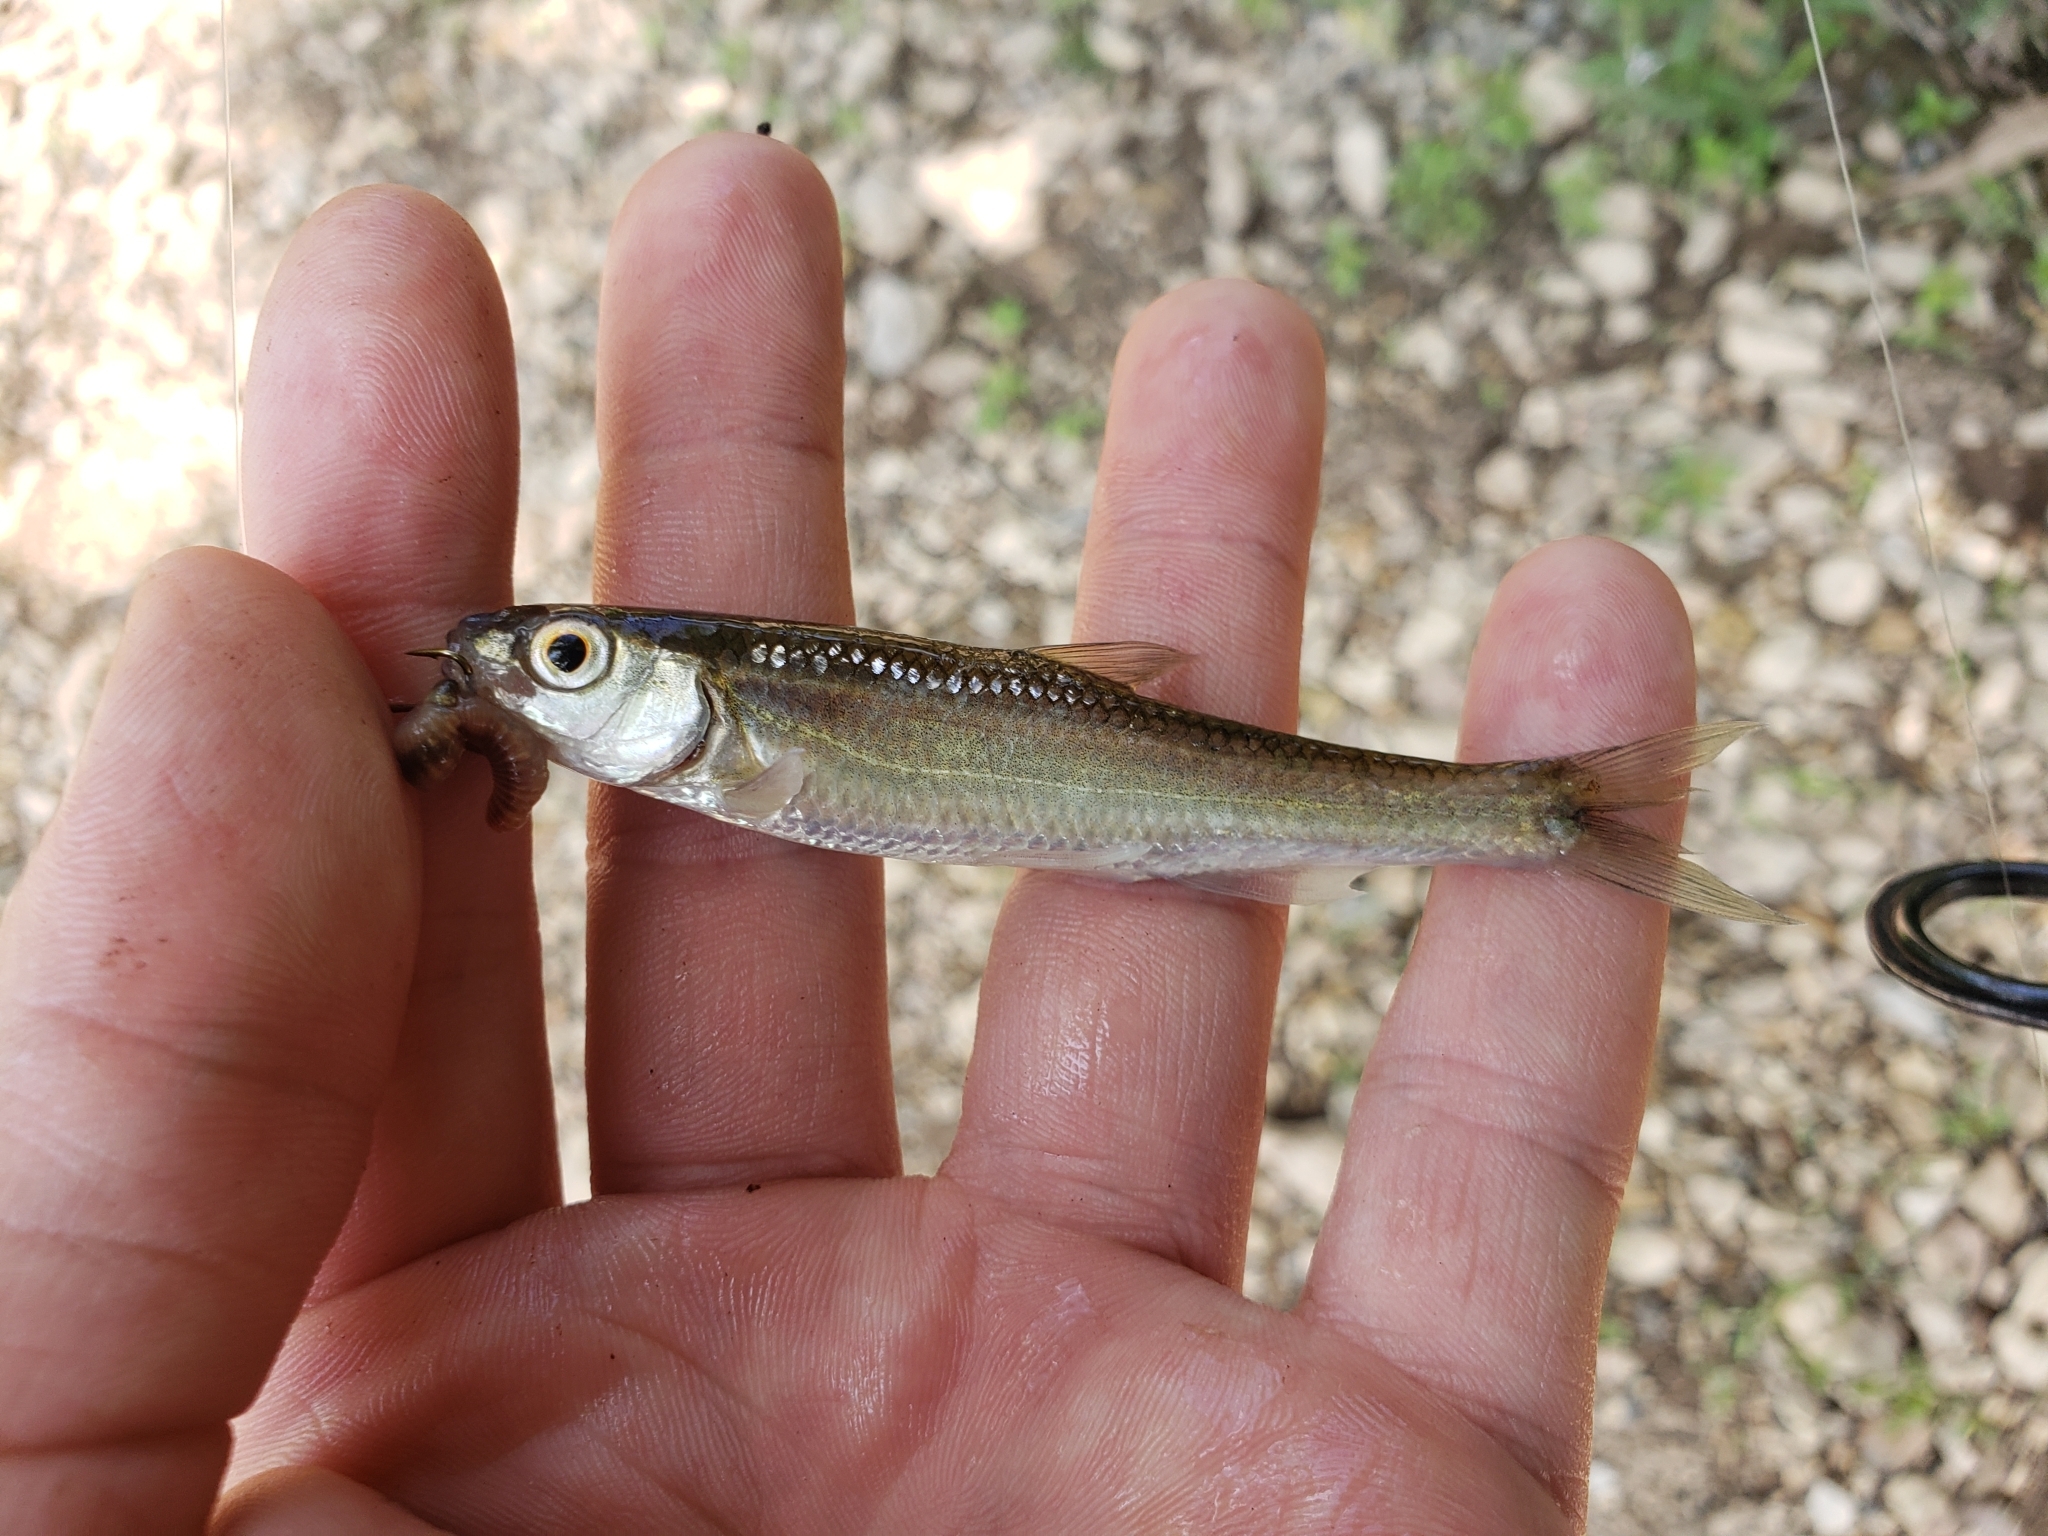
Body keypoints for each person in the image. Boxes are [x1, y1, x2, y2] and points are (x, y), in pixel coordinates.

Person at [2, 134, 1695, 1533]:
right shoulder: (697, 738)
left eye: (571, 659)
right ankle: (1539, 817)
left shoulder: (740, 717)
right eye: (545, 666)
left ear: (680, 685)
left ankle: (1543, 816)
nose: (536, 682)